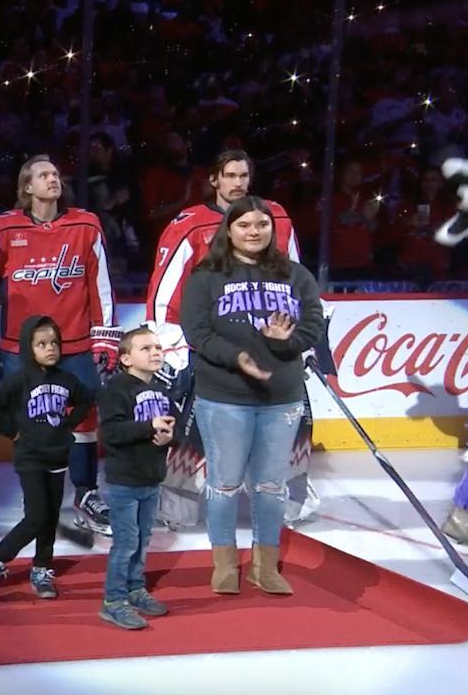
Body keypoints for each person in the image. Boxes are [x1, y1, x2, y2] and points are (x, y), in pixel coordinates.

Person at [144, 148, 316, 528]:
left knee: (294, 417)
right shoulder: (189, 224)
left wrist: (299, 340)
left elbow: (297, 281)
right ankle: (179, 505)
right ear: (214, 179)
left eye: (244, 175)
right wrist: (172, 345)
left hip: (272, 343)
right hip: (211, 346)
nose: (238, 183)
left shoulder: (276, 217)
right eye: (230, 175)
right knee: (195, 425)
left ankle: (286, 502)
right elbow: (163, 291)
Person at [0, 155, 118, 536]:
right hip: (21, 346)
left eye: (56, 173)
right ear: (26, 188)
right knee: (32, 420)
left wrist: (106, 335)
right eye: (43, 174)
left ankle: (86, 492)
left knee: (83, 417)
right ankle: (38, 498)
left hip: (75, 341)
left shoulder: (85, 224)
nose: (53, 179)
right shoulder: (3, 228)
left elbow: (101, 284)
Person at [181, 196, 324, 596]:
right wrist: (237, 357)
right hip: (224, 397)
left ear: (271, 230)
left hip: (281, 397)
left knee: (271, 486)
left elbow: (313, 322)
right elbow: (197, 332)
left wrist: (287, 341)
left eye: (262, 224)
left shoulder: (295, 275)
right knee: (224, 485)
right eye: (245, 225)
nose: (254, 231)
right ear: (229, 230)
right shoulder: (206, 275)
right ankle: (224, 565)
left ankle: (265, 566)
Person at [0, 316, 94, 601]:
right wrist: (11, 431)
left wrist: (68, 424)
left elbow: (88, 399)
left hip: (58, 456)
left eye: (54, 343)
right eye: (42, 344)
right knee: (37, 517)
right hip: (30, 457)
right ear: (29, 348)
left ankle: (42, 568)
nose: (50, 348)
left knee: (50, 518)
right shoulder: (20, 380)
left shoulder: (67, 380)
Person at [98, 327, 177, 630]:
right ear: (126, 358)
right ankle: (113, 601)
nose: (156, 352)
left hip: (151, 479)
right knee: (126, 542)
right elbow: (111, 433)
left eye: (157, 347)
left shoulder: (162, 388)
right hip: (124, 482)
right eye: (146, 348)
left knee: (143, 540)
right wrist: (147, 428)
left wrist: (170, 437)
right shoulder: (115, 388)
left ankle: (135, 588)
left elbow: (174, 428)